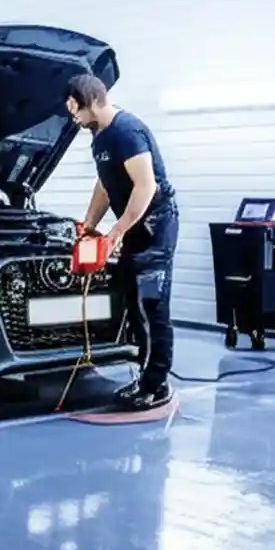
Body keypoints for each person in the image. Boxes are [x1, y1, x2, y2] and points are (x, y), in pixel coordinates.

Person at [66, 73, 179, 412]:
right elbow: (104, 186)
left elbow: (146, 187)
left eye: (75, 110)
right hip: (133, 227)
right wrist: (89, 224)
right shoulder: (99, 136)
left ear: (92, 100)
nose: (73, 117)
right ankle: (144, 374)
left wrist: (117, 231)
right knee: (132, 301)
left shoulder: (126, 132)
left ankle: (156, 383)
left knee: (152, 303)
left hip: (156, 226)